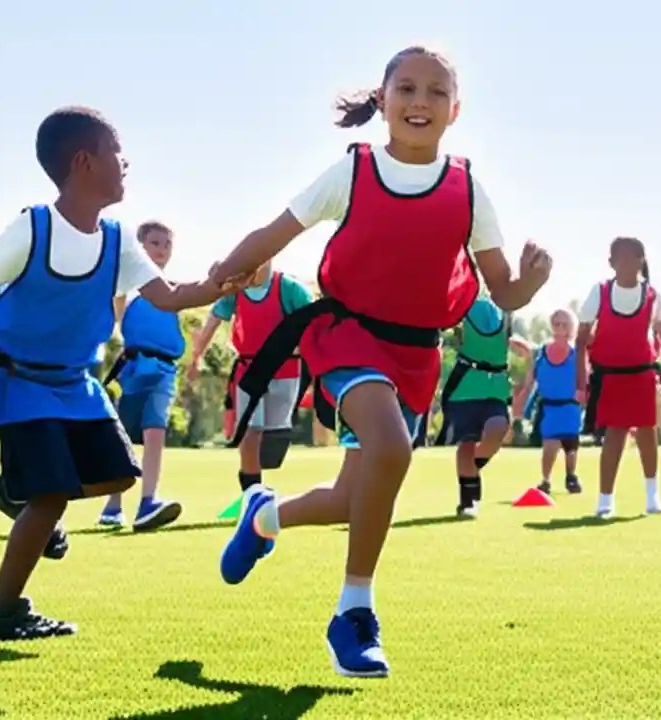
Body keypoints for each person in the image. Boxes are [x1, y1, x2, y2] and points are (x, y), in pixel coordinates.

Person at [204, 46, 552, 678]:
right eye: (408, 89)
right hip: (346, 336)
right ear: (384, 99)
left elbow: (501, 291)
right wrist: (224, 271)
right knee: (391, 449)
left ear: (456, 109)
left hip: (415, 353)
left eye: (436, 92)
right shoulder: (353, 172)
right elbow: (275, 233)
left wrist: (529, 283)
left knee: (352, 496)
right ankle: (353, 612)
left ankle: (266, 517)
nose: (420, 102)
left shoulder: (468, 188)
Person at [0, 106, 247, 641]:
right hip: (17, 382)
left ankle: (16, 494)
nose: (125, 163)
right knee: (51, 497)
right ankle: (1, 612)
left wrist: (223, 281)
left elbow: (172, 296)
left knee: (117, 475)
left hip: (75, 384)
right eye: (117, 153)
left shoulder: (118, 239)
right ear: (84, 162)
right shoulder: (33, 227)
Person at [187, 262, 314, 503]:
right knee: (250, 430)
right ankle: (251, 494)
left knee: (274, 437)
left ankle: (258, 482)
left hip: (285, 369)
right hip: (248, 369)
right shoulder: (235, 291)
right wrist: (196, 358)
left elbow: (314, 324)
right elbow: (213, 320)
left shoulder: (289, 289)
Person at [576, 236, 661, 519]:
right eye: (619, 258)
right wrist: (580, 377)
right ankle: (605, 501)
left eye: (633, 257)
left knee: (647, 432)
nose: (626, 263)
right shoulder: (600, 292)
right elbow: (581, 337)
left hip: (642, 374)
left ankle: (652, 494)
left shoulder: (653, 296)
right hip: (610, 376)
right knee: (615, 434)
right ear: (611, 262)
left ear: (641, 261)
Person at [98, 221, 185, 531]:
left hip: (165, 370)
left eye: (167, 244)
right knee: (124, 436)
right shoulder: (129, 286)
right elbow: (114, 316)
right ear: (141, 247)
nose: (161, 250)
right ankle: (113, 503)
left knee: (155, 432)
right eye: (155, 243)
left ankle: (149, 501)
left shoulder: (173, 290)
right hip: (135, 368)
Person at [433, 295, 528, 518]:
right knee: (466, 441)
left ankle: (471, 469)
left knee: (498, 427)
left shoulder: (505, 307)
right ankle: (469, 501)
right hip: (464, 386)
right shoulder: (460, 302)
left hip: (495, 386)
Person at [515, 308, 585, 495]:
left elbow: (585, 379)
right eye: (556, 323)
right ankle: (545, 481)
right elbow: (529, 381)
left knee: (571, 445)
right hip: (549, 407)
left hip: (570, 407)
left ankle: (571, 476)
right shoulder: (541, 353)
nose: (560, 327)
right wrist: (521, 404)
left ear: (571, 327)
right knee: (550, 445)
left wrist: (584, 394)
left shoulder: (577, 353)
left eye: (564, 324)